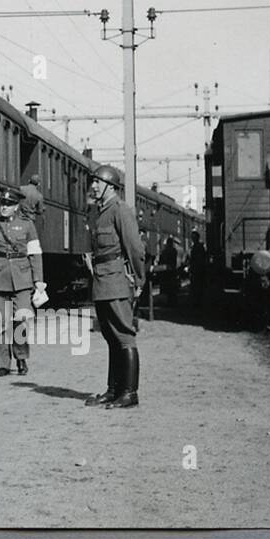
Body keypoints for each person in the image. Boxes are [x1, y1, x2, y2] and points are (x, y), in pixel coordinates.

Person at [84, 166, 145, 409]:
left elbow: (135, 248)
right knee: (111, 337)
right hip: (101, 282)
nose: (93, 186)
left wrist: (139, 281)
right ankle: (114, 390)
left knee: (124, 336)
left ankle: (130, 393)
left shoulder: (120, 210)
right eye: (93, 182)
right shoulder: (101, 213)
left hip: (117, 281)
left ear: (110, 185)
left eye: (98, 183)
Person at [0, 187, 47, 376]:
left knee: (21, 321)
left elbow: (35, 254)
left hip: (22, 279)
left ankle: (21, 357)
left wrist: (38, 279)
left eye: (9, 204)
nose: (4, 207)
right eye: (2, 203)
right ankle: (1, 364)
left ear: (16, 207)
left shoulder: (27, 226)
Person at [188, 230, 208, 305]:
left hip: (197, 270)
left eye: (193, 237)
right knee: (197, 287)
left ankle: (197, 302)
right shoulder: (199, 247)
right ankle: (197, 301)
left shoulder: (197, 247)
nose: (192, 239)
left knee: (197, 287)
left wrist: (193, 267)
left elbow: (198, 259)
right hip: (197, 270)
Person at [158, 235, 179, 306]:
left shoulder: (164, 251)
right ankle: (173, 302)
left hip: (165, 271)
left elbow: (161, 260)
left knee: (167, 288)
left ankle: (168, 302)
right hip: (172, 271)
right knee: (172, 289)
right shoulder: (174, 251)